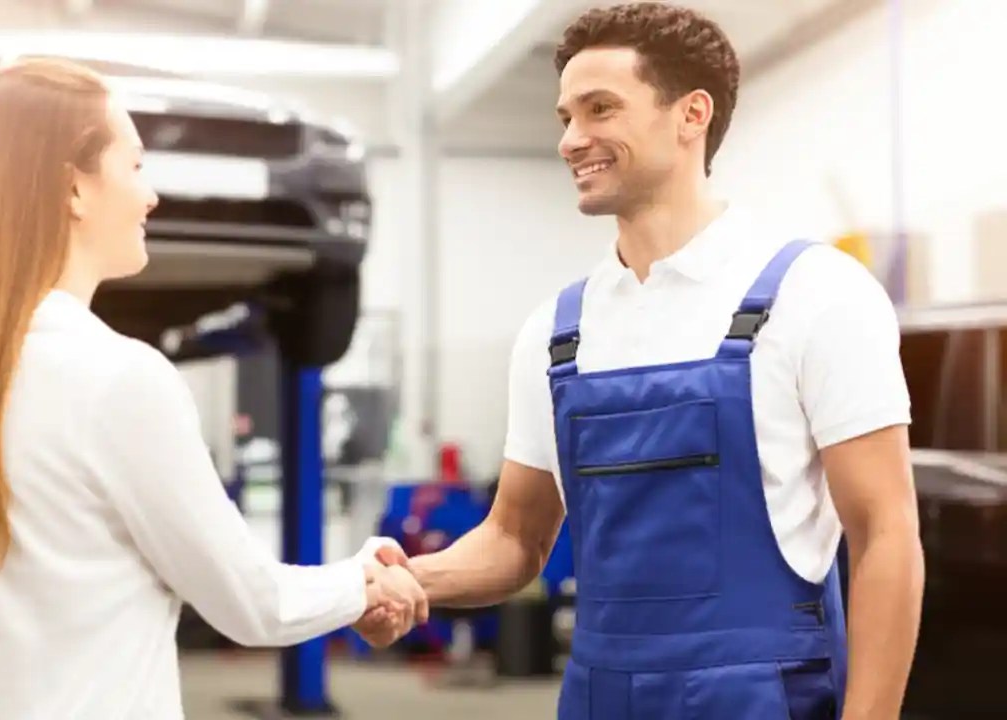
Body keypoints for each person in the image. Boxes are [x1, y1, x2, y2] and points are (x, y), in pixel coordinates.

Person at [361, 3, 924, 718]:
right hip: (600, 694)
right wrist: (407, 579)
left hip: (761, 697)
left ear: (692, 115)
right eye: (565, 115)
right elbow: (514, 537)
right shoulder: (557, 332)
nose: (571, 139)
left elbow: (885, 534)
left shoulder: (817, 295)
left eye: (600, 109)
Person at [0, 58, 427, 719]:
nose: (151, 195)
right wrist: (363, 579)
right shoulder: (116, 379)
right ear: (72, 189)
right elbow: (253, 604)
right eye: (135, 166)